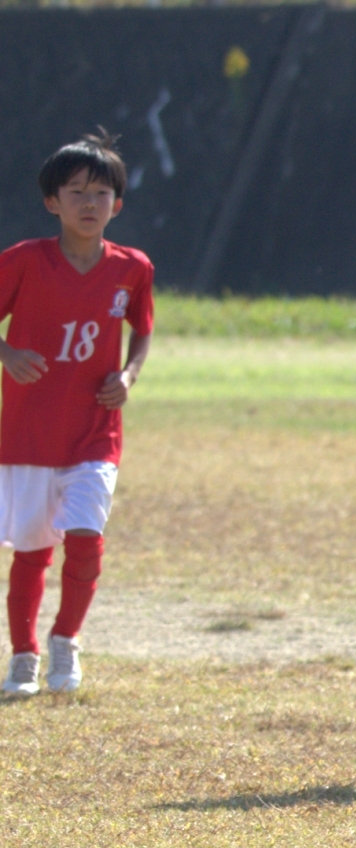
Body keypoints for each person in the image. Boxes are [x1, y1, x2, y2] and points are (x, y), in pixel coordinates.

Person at [0, 131, 154, 698]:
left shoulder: (132, 268)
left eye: (102, 192)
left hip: (94, 433)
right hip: (27, 436)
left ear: (117, 203)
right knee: (33, 552)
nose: (90, 203)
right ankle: (23, 654)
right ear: (52, 202)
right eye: (76, 191)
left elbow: (142, 329)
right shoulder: (22, 262)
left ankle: (67, 639)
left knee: (86, 540)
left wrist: (129, 375)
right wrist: (8, 353)